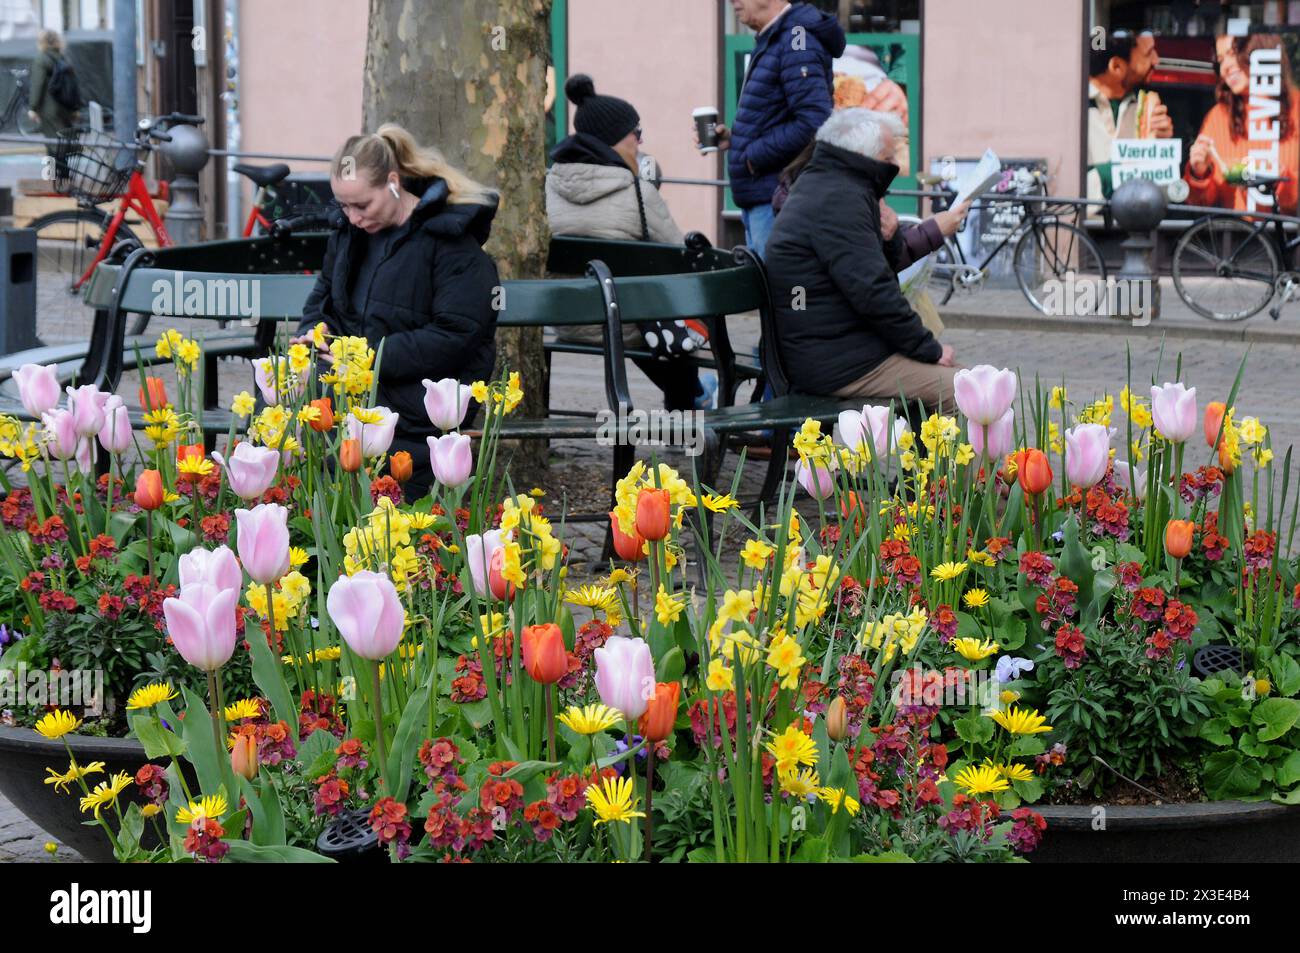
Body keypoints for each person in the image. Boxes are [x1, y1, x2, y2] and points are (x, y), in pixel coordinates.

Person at [295, 124, 500, 500]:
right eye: (343, 205)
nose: (352, 217)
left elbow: (457, 334)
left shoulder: (450, 240)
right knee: (286, 421)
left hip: (420, 404)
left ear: (393, 182)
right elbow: (321, 298)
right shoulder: (350, 236)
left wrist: (367, 358)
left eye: (362, 205)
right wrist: (315, 331)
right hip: (354, 395)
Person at [765, 109, 965, 411]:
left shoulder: (828, 184)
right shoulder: (838, 197)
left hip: (837, 349)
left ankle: (932, 459)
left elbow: (872, 272)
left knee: (970, 384)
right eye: (888, 158)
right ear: (864, 157)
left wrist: (891, 235)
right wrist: (929, 349)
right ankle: (951, 460)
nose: (895, 166)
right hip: (835, 362)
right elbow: (873, 291)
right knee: (966, 392)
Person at [547, 74, 713, 411]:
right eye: (635, 134)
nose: (640, 142)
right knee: (659, 323)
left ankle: (698, 394)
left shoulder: (547, 185)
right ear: (613, 141)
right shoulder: (637, 191)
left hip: (563, 318)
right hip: (620, 323)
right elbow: (678, 259)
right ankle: (686, 411)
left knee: (630, 316)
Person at [708, 0, 845, 257]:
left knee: (776, 291)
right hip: (764, 197)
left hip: (774, 199)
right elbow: (779, 115)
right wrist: (735, 140)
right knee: (767, 290)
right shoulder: (779, 36)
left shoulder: (796, 38)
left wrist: (753, 155)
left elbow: (814, 120)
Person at [1184, 33, 1299, 216]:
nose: (1225, 68)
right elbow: (1200, 203)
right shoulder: (1217, 117)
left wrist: (1283, 180)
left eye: (1234, 53)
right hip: (1236, 238)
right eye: (1221, 60)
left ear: (1262, 52)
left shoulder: (1296, 108)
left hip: (1288, 237)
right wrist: (1199, 173)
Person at [1086, 30, 1173, 201]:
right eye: (1148, 53)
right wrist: (1126, 170)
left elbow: (1164, 197)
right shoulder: (1074, 108)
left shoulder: (1146, 108)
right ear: (1116, 67)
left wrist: (1162, 151)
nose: (1156, 60)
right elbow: (1066, 194)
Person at [27, 30, 78, 162]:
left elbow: (37, 84)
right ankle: (62, 177)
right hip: (65, 106)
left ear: (42, 42)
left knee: (52, 144)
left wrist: (33, 107)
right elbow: (74, 83)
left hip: (48, 108)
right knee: (62, 143)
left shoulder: (41, 59)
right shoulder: (62, 57)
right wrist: (75, 108)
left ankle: (53, 177)